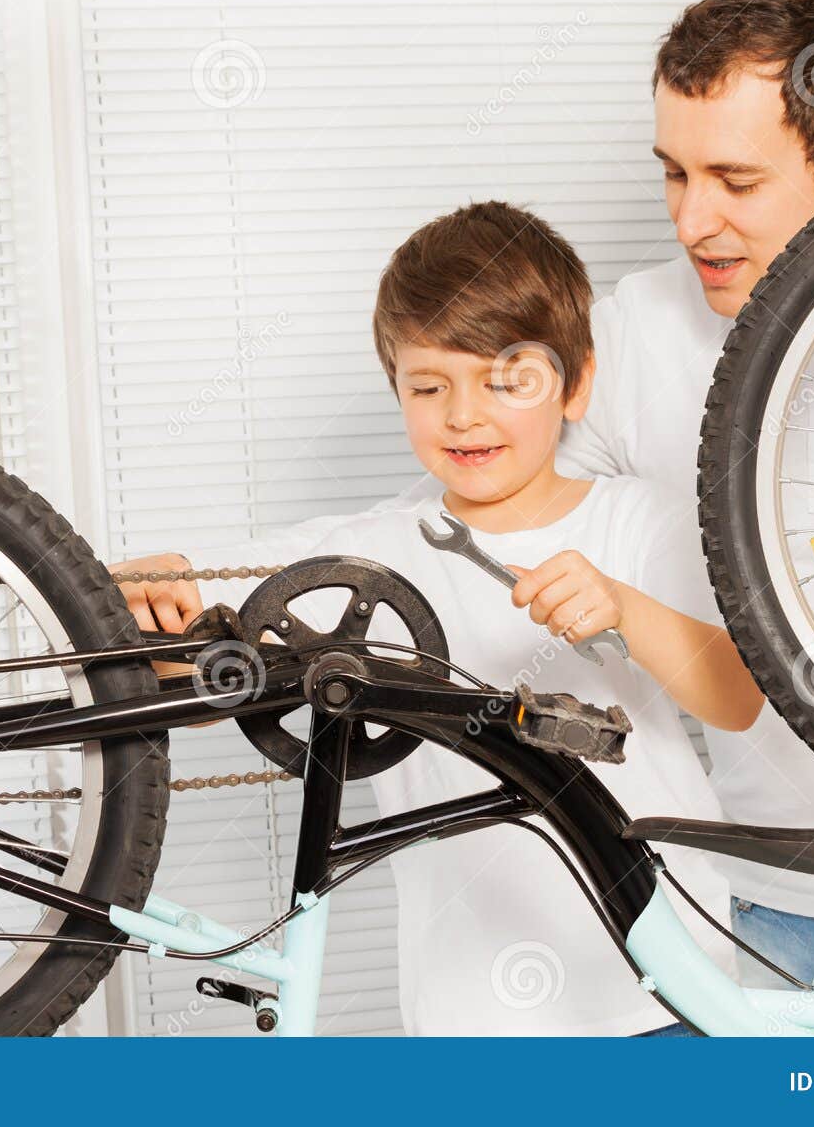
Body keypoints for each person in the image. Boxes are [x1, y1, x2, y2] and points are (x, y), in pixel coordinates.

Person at [120, 0, 814, 1034]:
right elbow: (468, 497)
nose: (691, 219)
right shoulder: (633, 334)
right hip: (767, 914)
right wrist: (213, 578)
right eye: (671, 172)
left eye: (734, 180)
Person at [136, 199, 764, 1035]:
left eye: (505, 381)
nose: (462, 414)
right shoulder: (367, 554)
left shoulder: (634, 519)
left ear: (576, 384)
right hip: (473, 1015)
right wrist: (147, 596)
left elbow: (737, 697)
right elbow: (188, 639)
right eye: (429, 386)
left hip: (673, 984)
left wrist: (624, 607)